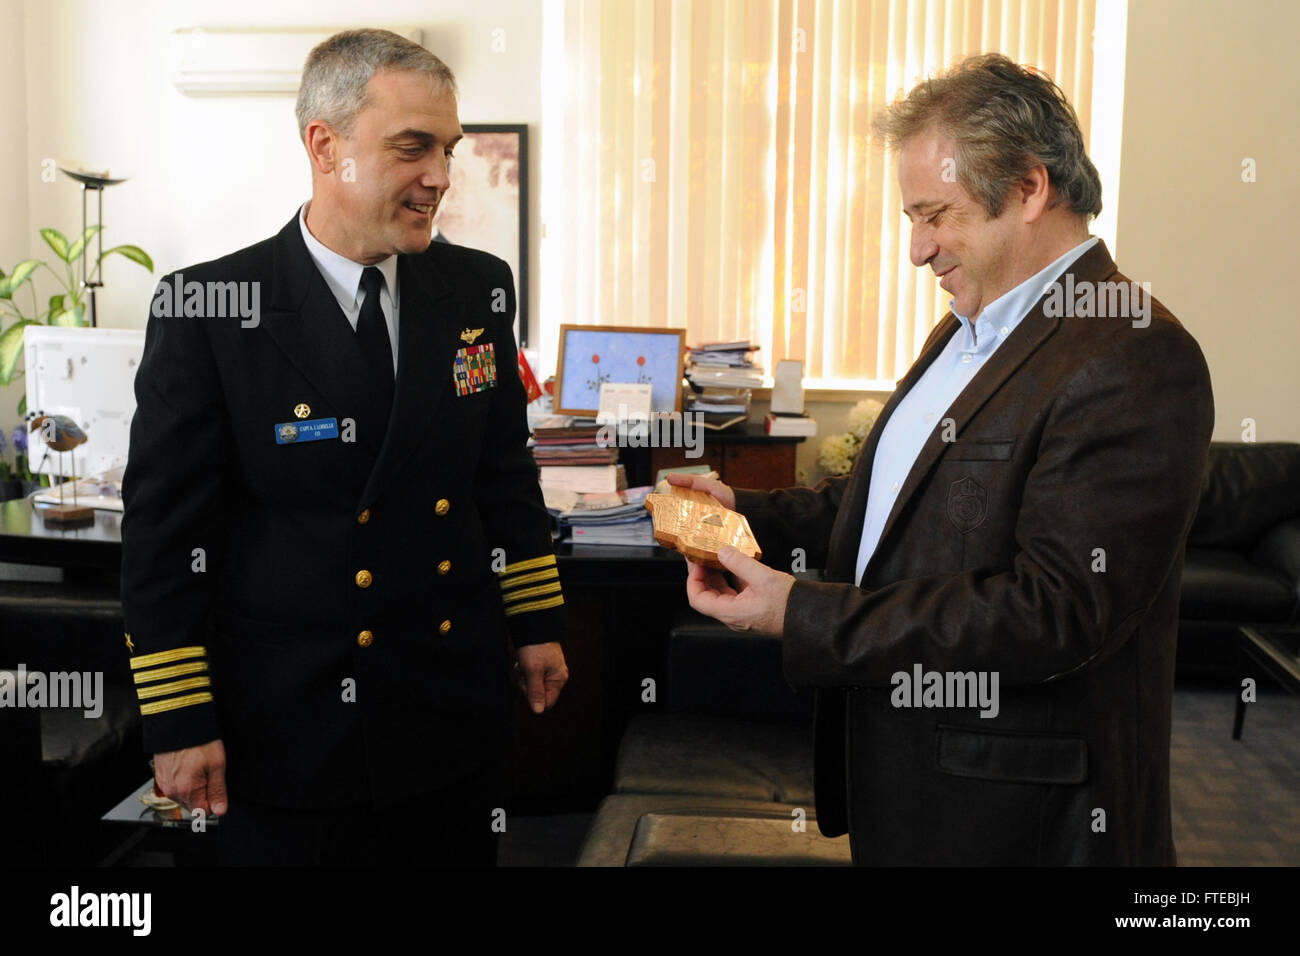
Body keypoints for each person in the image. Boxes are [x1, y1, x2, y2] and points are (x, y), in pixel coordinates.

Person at [675, 53, 1214, 865]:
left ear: (1030, 189)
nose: (918, 250)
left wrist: (803, 613)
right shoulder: (969, 329)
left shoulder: (1133, 354)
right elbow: (884, 515)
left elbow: (1055, 613)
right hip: (911, 783)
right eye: (911, 220)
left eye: (937, 215)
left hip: (1016, 820)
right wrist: (739, 513)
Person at [120, 29, 568, 866]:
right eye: (413, 148)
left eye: (447, 149)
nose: (439, 175)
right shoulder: (211, 307)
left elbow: (503, 473)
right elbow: (165, 540)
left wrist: (535, 622)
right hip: (293, 724)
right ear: (324, 146)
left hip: (448, 709)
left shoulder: (477, 286)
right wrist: (180, 720)